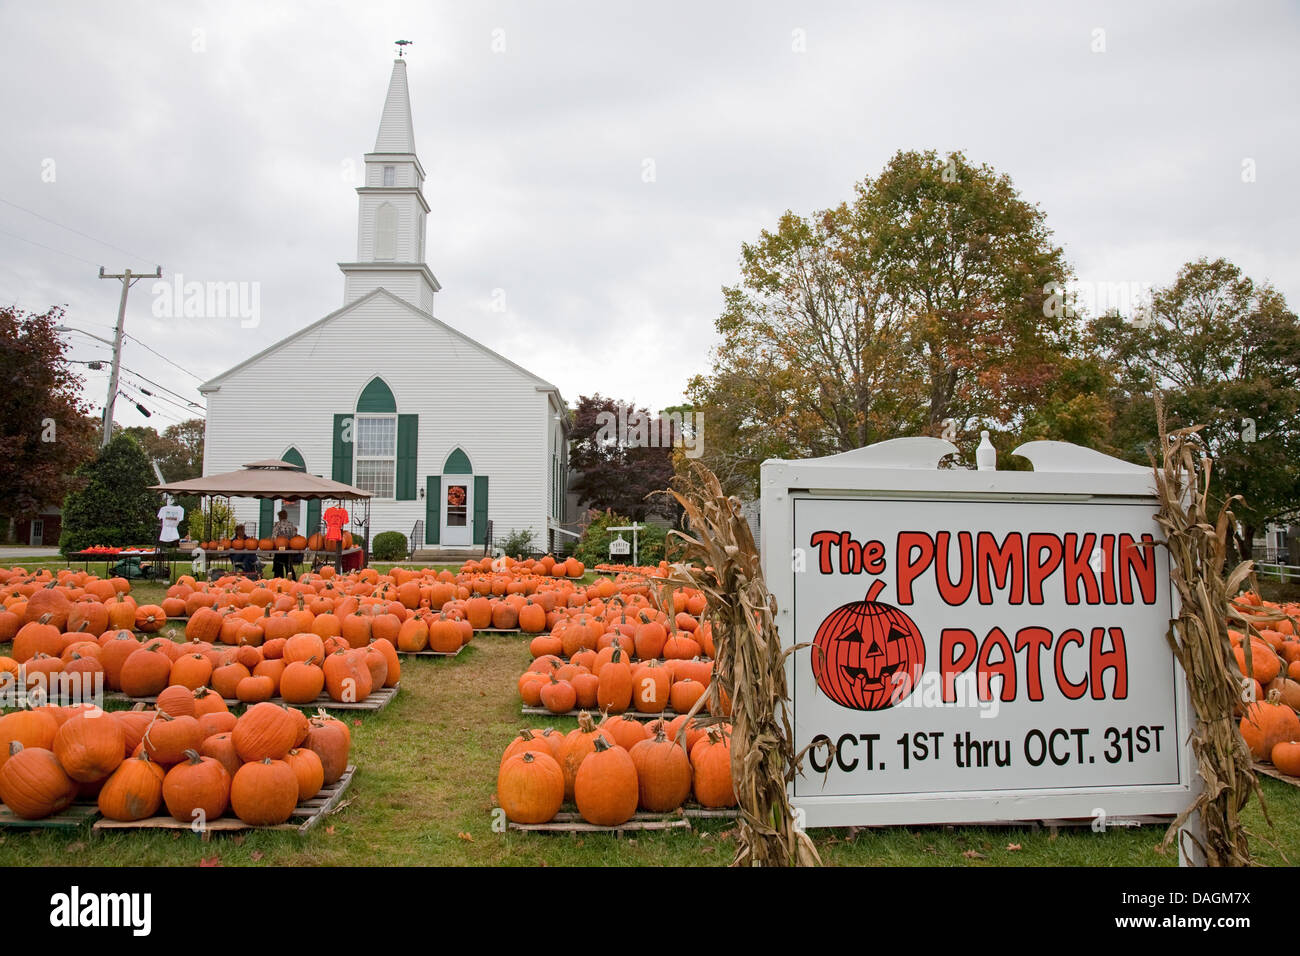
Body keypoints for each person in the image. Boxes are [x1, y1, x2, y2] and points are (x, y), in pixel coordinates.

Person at [271, 508, 298, 580]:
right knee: (288, 564)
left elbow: (274, 537)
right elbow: (295, 535)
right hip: (288, 547)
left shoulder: (278, 525)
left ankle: (279, 578)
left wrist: (272, 544)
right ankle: (292, 578)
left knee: (278, 562)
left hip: (279, 548)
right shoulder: (291, 524)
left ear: (279, 517)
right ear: (286, 516)